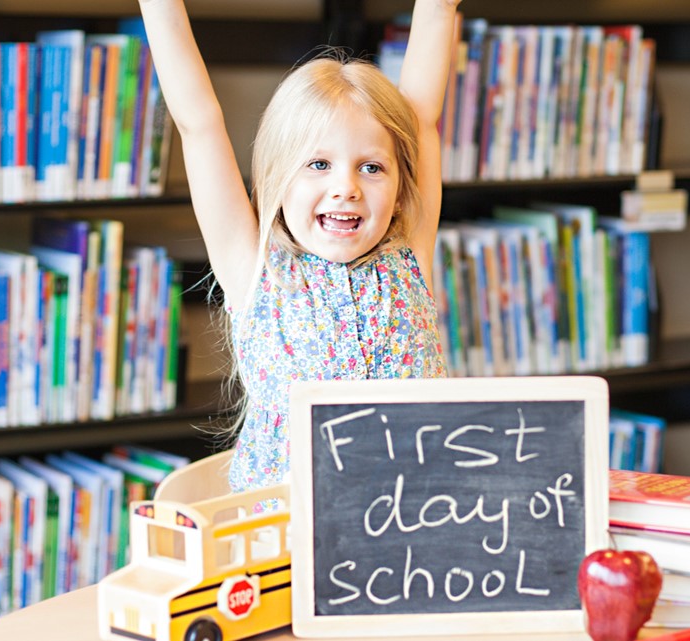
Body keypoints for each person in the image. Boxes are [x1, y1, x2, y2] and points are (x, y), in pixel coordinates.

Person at [138, 0, 461, 493]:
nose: (345, 187)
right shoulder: (256, 271)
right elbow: (199, 123)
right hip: (283, 542)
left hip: (412, 534)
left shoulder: (407, 255)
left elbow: (423, 118)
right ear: (278, 178)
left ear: (400, 187)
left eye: (371, 167)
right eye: (318, 164)